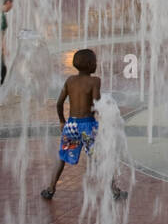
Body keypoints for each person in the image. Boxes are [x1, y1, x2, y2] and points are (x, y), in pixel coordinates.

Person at [40, 48, 126, 200]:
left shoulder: (70, 81)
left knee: (62, 157)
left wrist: (62, 121)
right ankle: (114, 190)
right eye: (94, 62)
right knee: (100, 157)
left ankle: (50, 189)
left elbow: (59, 103)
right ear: (89, 64)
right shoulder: (95, 81)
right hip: (87, 127)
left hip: (71, 126)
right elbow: (96, 104)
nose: (96, 64)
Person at [0, 0, 11, 85]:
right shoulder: (1, 16)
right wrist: (4, 48)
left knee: (3, 70)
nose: (11, 7)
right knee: (3, 70)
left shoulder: (2, 14)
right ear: (8, 2)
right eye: (11, 4)